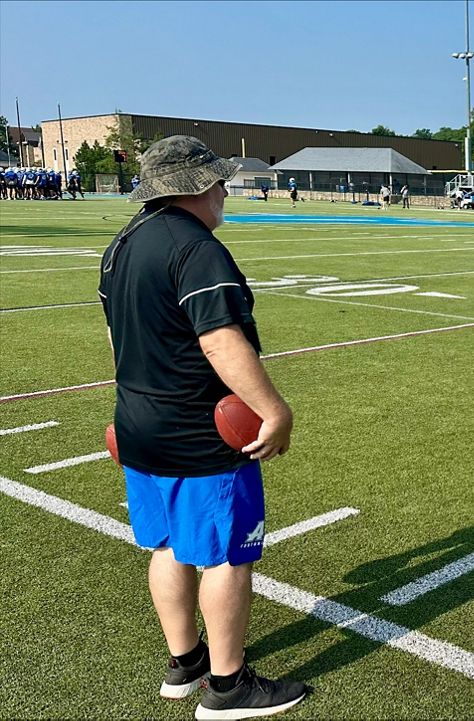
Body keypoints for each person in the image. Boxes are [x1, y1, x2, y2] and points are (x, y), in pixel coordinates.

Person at [98, 136, 305, 718]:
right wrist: (274, 409)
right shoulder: (196, 248)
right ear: (198, 186)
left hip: (137, 423)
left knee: (166, 546)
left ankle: (184, 662)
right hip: (200, 431)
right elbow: (219, 341)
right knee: (224, 556)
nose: (222, 192)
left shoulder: (121, 243)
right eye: (217, 182)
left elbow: (119, 340)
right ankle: (228, 685)